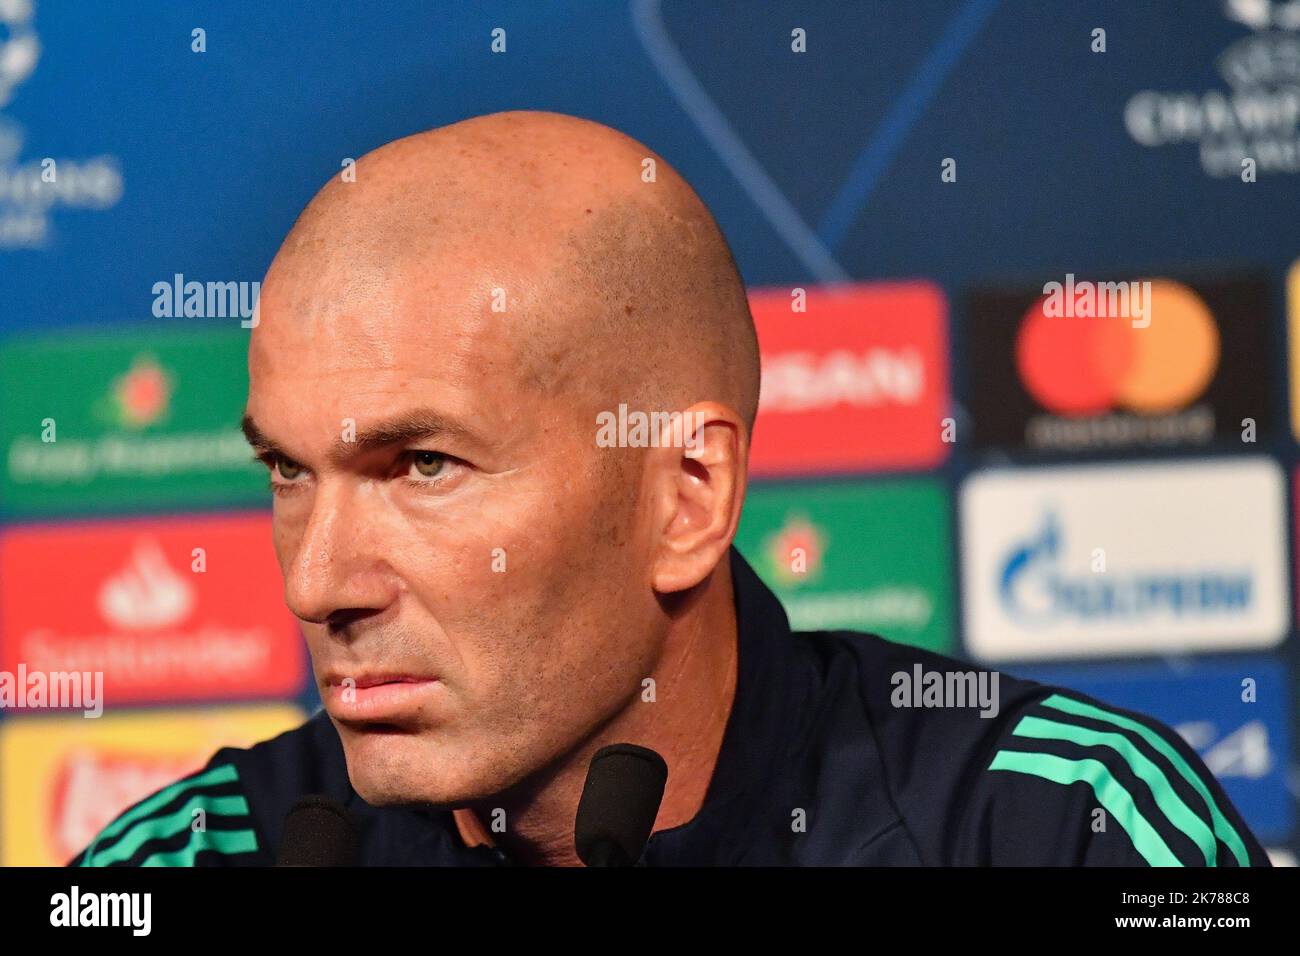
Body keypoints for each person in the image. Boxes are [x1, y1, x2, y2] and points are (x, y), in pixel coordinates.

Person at [71, 111, 1268, 866]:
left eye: (421, 466)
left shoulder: (1060, 824)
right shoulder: (192, 855)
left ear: (686, 493)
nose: (316, 580)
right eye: (288, 469)